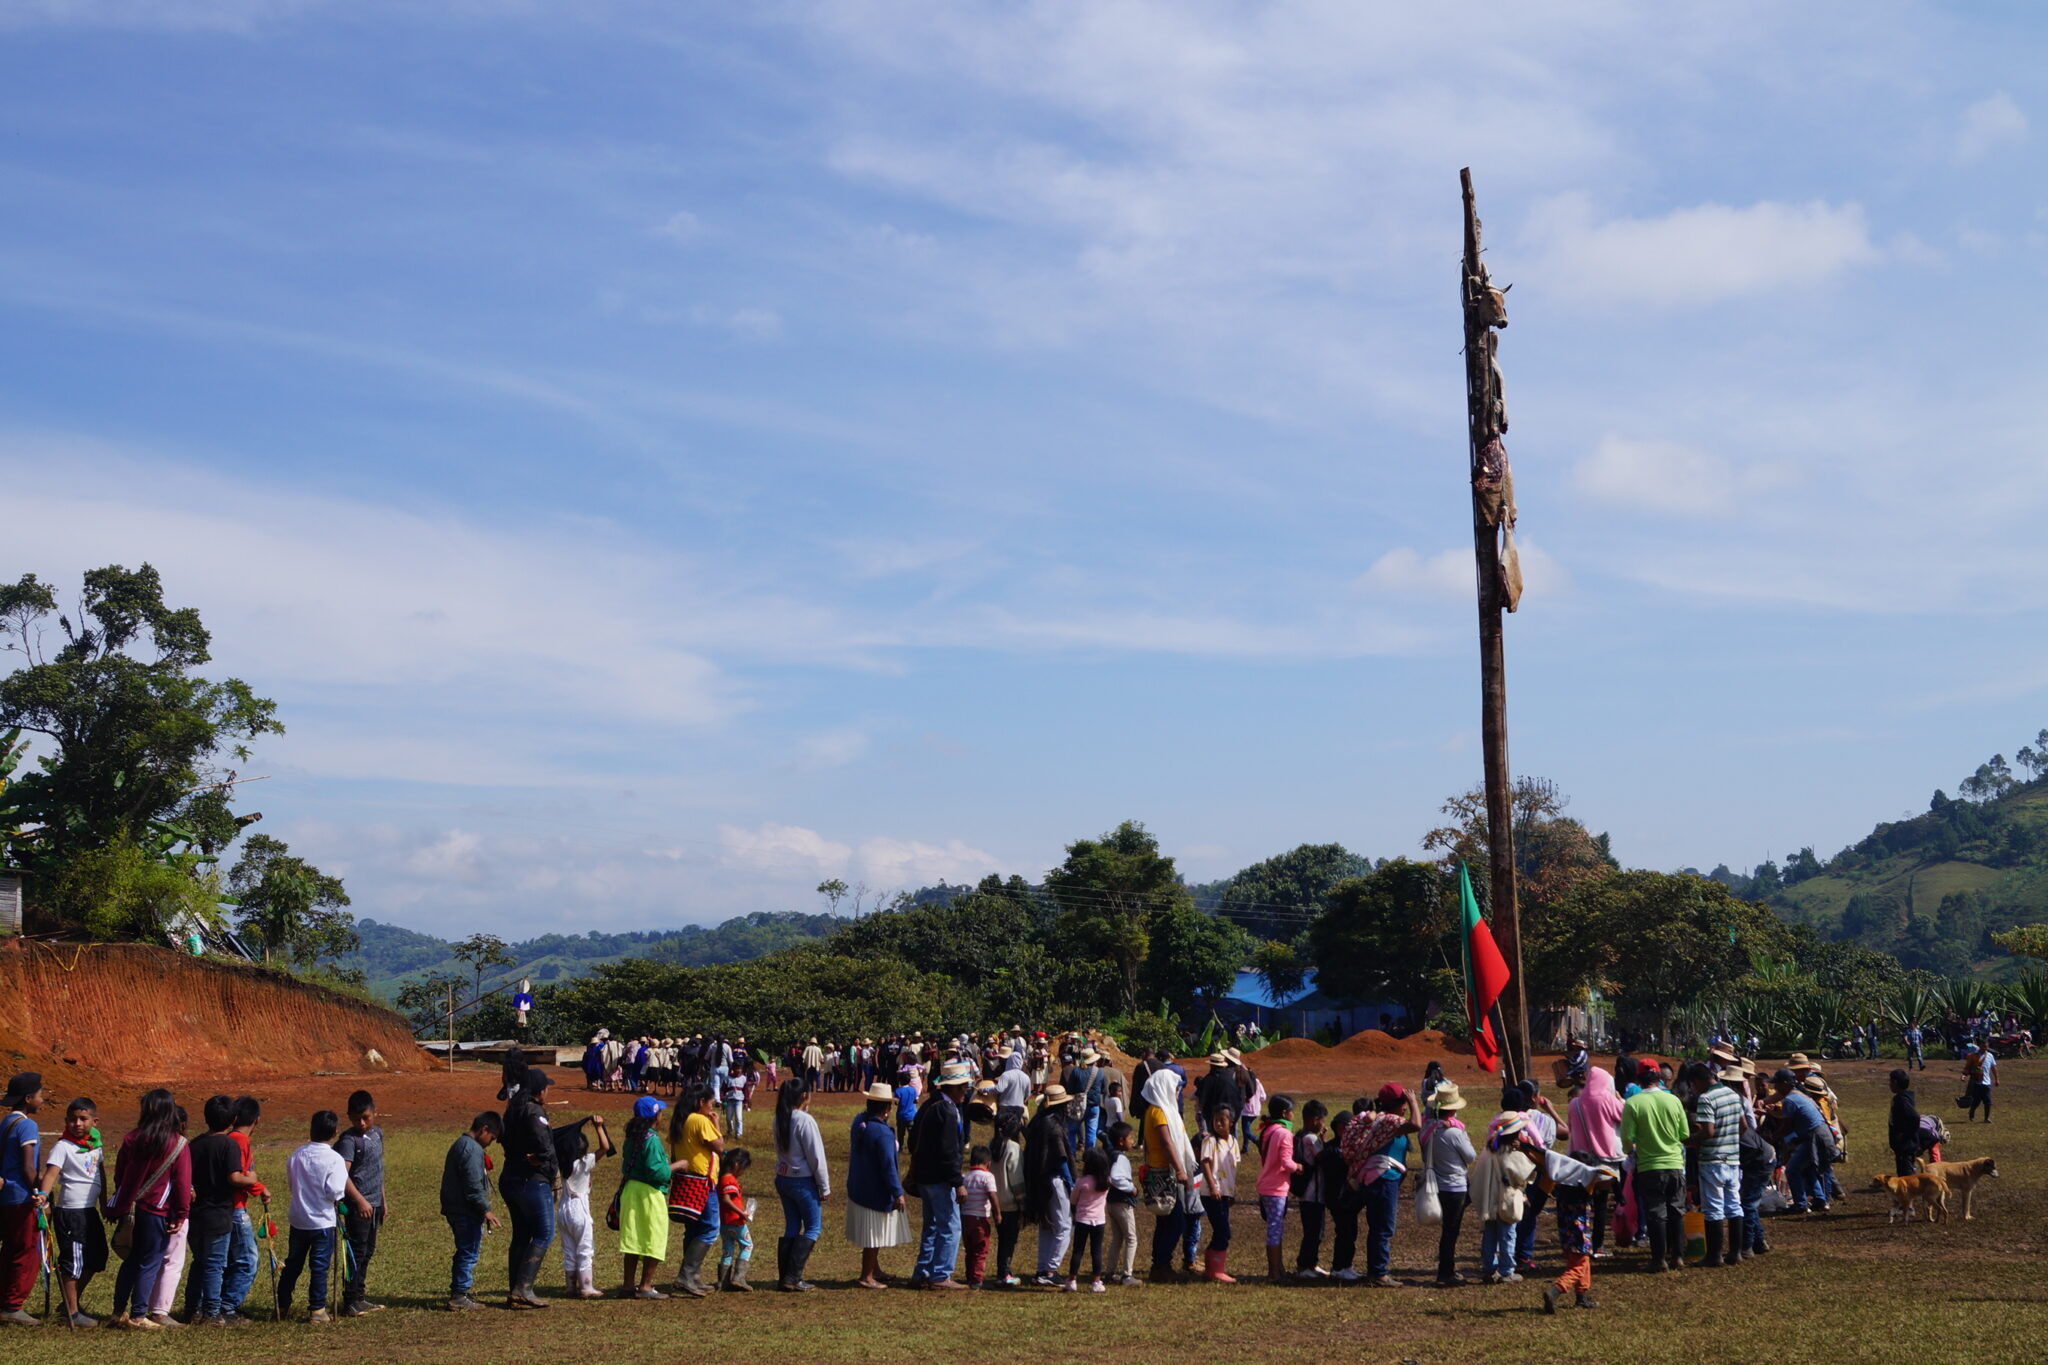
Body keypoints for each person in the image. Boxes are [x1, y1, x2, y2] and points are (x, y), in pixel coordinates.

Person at [276, 1109, 362, 1324]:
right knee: (319, 1266)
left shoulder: (297, 1155)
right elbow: (335, 1191)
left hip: (299, 1219)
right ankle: (317, 1309)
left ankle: (282, 1304)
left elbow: (292, 1184)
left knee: (293, 1263)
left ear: (311, 1130)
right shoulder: (334, 1159)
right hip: (323, 1221)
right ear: (334, 1133)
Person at [186, 1094, 257, 1325]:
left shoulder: (193, 1144)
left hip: (196, 1213)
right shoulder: (228, 1144)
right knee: (216, 1263)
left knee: (199, 1261)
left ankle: (193, 1308)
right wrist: (252, 1178)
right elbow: (234, 1178)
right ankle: (213, 1312)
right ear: (233, 1118)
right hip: (219, 1213)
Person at [38, 1096, 107, 1328]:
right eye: (72, 1119)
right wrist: (43, 1196)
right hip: (71, 1213)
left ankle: (68, 1305)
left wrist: (105, 1201)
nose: (77, 1124)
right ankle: (72, 1313)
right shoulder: (62, 1146)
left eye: (83, 1119)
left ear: (94, 1121)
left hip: (90, 1211)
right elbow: (50, 1174)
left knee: (97, 1257)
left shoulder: (96, 1144)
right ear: (66, 1121)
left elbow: (100, 1174)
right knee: (73, 1262)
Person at [1343, 1083, 1421, 1288]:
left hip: (1376, 1179)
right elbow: (1416, 1124)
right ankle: (1378, 1272)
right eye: (1404, 1104)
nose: (1405, 1108)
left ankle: (1376, 1270)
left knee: (1378, 1226)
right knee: (1383, 1227)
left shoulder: (1379, 1119)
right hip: (1384, 1179)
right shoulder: (1390, 1120)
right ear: (1398, 1104)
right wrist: (1414, 1102)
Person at [499, 1068, 560, 1309]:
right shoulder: (534, 1112)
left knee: (522, 1235)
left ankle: (515, 1290)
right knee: (544, 1233)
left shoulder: (513, 1110)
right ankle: (523, 1288)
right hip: (532, 1180)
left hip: (511, 1177)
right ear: (540, 1090)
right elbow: (544, 1145)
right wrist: (543, 1156)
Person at [908, 1061, 971, 1289]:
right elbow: (948, 1151)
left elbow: (912, 1139)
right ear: (951, 1088)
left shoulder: (929, 1105)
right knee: (950, 1227)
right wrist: (957, 1182)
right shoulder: (946, 1110)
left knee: (932, 1226)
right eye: (962, 1087)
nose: (965, 1091)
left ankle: (923, 1271)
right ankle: (941, 1275)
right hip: (940, 1179)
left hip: (925, 1176)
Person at [1620, 1058, 1687, 1272]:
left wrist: (1632, 1150)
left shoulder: (1633, 1103)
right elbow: (1684, 1133)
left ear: (1638, 1079)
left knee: (1656, 1213)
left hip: (1649, 1166)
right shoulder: (1673, 1100)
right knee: (1676, 1210)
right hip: (1675, 1163)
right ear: (1659, 1077)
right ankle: (1677, 1256)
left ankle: (1659, 1259)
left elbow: (1626, 1140)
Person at [619, 1097, 683, 1299]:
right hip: (649, 1193)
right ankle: (646, 1286)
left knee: (633, 1237)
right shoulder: (652, 1140)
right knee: (653, 1237)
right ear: (655, 1116)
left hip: (631, 1190)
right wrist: (678, 1165)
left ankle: (628, 1285)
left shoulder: (632, 1137)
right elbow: (659, 1173)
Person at [666, 1084, 725, 1298]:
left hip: (685, 1180)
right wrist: (716, 1123)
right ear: (701, 1101)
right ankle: (687, 1275)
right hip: (702, 1181)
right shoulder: (700, 1120)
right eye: (710, 1102)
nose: (712, 1107)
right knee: (710, 1228)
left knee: (692, 1228)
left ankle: (693, 1276)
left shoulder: (681, 1120)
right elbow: (719, 1146)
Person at [439, 1111, 503, 1310]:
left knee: (464, 1250)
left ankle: (460, 1291)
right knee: (469, 1252)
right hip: (465, 1210)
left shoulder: (461, 1144)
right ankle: (460, 1294)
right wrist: (486, 1210)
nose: (489, 1143)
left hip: (456, 1207)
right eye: (491, 1139)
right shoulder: (472, 1149)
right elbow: (473, 1186)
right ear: (484, 1129)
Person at [772, 1078, 829, 1293]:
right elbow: (816, 1157)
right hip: (802, 1180)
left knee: (792, 1226)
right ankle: (793, 1277)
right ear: (804, 1096)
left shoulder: (779, 1118)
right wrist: (824, 1187)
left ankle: (785, 1277)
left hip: (784, 1177)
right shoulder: (805, 1120)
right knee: (813, 1227)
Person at [1140, 1068, 1198, 1283]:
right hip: (1163, 1172)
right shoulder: (1158, 1112)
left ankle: (1161, 1264)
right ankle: (1162, 1264)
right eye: (1174, 1089)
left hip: (1165, 1172)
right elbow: (1166, 1142)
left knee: (1166, 1221)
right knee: (1174, 1221)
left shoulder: (1159, 1110)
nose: (1177, 1093)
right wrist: (1180, 1169)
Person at [332, 1090, 386, 1317]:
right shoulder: (348, 1141)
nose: (361, 1123)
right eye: (356, 1119)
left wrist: (383, 1199)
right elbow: (341, 1175)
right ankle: (350, 1300)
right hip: (358, 1205)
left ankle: (360, 1297)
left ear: (375, 1112)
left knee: (368, 1250)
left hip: (375, 1203)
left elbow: (378, 1168)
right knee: (356, 1251)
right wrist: (361, 1201)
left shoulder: (377, 1135)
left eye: (365, 1117)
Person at [1685, 1061, 1744, 1269]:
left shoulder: (1706, 1098)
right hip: (1733, 1158)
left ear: (1698, 1081)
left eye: (1693, 1085)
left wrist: (1691, 1139)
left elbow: (1708, 1131)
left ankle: (1714, 1255)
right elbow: (1743, 1126)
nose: (1694, 1089)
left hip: (1712, 1160)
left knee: (1713, 1208)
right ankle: (1736, 1252)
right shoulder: (1732, 1094)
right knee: (1734, 1204)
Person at [1540, 1153, 1616, 1312]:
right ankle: (1556, 1291)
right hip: (1580, 1235)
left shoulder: (1560, 1186)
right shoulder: (1584, 1188)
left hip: (1565, 1234)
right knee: (1578, 1266)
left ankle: (1582, 1295)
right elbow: (1608, 1175)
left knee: (1582, 1263)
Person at [1470, 1110, 1539, 1284]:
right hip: (1506, 1199)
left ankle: (1489, 1268)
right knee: (1508, 1234)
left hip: (1489, 1198)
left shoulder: (1490, 1148)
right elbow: (1523, 1173)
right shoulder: (1511, 1152)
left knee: (1490, 1234)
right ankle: (1507, 1270)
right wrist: (1526, 1148)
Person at [0, 1073, 46, 1327]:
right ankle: (13, 1305)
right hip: (21, 1196)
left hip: (6, 1196)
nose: (42, 1099)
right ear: (28, 1099)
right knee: (26, 1250)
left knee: (9, 1249)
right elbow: (29, 1167)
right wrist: (39, 1191)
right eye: (40, 1095)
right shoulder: (27, 1125)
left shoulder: (6, 1122)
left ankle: (5, 1300)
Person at [1565, 1062, 1623, 1258]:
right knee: (1601, 1204)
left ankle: (1580, 1243)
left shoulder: (1575, 1103)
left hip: (1581, 1160)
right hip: (1605, 1160)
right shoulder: (1607, 1100)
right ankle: (1598, 1246)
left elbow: (1571, 1128)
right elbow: (1625, 1116)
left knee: (1582, 1204)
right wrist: (1620, 1099)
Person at [554, 1114, 613, 1298]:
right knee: (585, 1248)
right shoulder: (583, 1163)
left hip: (563, 1209)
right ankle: (586, 1287)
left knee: (569, 1250)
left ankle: (571, 1287)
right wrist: (599, 1127)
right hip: (579, 1208)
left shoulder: (562, 1164)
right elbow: (605, 1147)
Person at [1422, 1082, 1475, 1287]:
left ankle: (1447, 1270)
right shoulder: (1455, 1133)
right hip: (1455, 1186)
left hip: (1436, 1184)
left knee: (1448, 1230)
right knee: (1451, 1231)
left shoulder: (1427, 1130)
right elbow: (1470, 1156)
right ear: (1453, 1109)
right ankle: (1446, 1271)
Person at [1024, 1085, 1076, 1286]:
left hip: (1037, 1179)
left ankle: (1042, 1268)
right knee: (1064, 1226)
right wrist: (1071, 1183)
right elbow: (1061, 1158)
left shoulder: (1038, 1122)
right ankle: (1050, 1269)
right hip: (1054, 1179)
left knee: (1048, 1225)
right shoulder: (1054, 1127)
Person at [1255, 1094, 1299, 1284]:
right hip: (1276, 1187)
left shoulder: (1268, 1130)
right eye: (1291, 1111)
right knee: (1275, 1229)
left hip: (1266, 1184)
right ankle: (1274, 1273)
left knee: (1276, 1228)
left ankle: (1278, 1269)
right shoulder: (1284, 1133)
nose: (1293, 1115)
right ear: (1284, 1113)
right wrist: (1299, 1167)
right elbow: (1286, 1163)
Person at [1196, 1105, 1238, 1284]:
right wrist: (1213, 1186)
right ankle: (1214, 1270)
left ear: (1231, 1122)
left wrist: (1231, 1192)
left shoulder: (1233, 1142)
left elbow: (1232, 1168)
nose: (1219, 1123)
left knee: (1222, 1230)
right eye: (1216, 1120)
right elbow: (1205, 1163)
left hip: (1225, 1193)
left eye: (1223, 1120)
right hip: (1211, 1193)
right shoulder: (1210, 1141)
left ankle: (1215, 1268)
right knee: (1223, 1231)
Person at [1291, 1099, 1329, 1279]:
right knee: (1313, 1231)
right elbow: (1322, 1158)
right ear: (1315, 1119)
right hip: (1312, 1194)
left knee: (1316, 1230)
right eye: (1322, 1119)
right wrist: (1326, 1144)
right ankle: (1305, 1265)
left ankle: (1311, 1263)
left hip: (1313, 1194)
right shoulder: (1310, 1138)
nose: (1323, 1123)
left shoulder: (1302, 1136)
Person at [1067, 1145, 1110, 1292]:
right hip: (1099, 1220)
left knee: (1078, 1251)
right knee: (1096, 1251)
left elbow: (1073, 1200)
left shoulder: (1082, 1182)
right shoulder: (1106, 1182)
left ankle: (1072, 1280)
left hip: (1082, 1220)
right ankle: (1096, 1282)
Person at [991, 1109, 1027, 1285]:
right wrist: (1023, 1203)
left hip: (995, 1202)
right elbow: (1017, 1179)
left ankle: (1002, 1272)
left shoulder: (993, 1146)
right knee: (1009, 1240)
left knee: (1002, 1238)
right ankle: (1005, 1274)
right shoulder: (1013, 1148)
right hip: (1011, 1203)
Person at [1103, 1121, 1140, 1287]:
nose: (1132, 1141)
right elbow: (1115, 1177)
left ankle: (1110, 1272)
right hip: (1122, 1203)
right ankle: (1127, 1274)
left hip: (1111, 1202)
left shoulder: (1110, 1155)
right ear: (1120, 1141)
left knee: (1117, 1238)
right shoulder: (1121, 1158)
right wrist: (1131, 1188)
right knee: (1131, 1238)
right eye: (1130, 1138)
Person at [958, 1143, 999, 1288]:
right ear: (988, 1163)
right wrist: (997, 1214)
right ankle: (977, 1279)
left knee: (969, 1250)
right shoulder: (987, 1177)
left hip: (965, 1218)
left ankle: (969, 1276)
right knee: (981, 1249)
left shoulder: (964, 1177)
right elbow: (992, 1195)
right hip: (980, 1219)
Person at [715, 1147, 755, 1291]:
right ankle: (739, 1277)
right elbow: (726, 1199)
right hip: (735, 1221)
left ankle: (723, 1281)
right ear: (737, 1164)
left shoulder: (721, 1178)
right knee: (747, 1245)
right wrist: (741, 1213)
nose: (742, 1173)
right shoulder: (729, 1180)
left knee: (728, 1249)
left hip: (724, 1222)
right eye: (743, 1168)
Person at [1963, 1043, 1997, 1123]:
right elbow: (1967, 1067)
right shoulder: (1973, 1056)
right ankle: (1972, 1112)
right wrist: (1964, 1075)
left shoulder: (1990, 1056)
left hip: (1986, 1082)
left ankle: (1986, 1118)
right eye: (1982, 1046)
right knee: (1976, 1101)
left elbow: (1993, 1068)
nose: (1984, 1048)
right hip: (1976, 1082)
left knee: (1987, 1101)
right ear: (1979, 1047)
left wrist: (1996, 1079)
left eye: (1986, 1046)